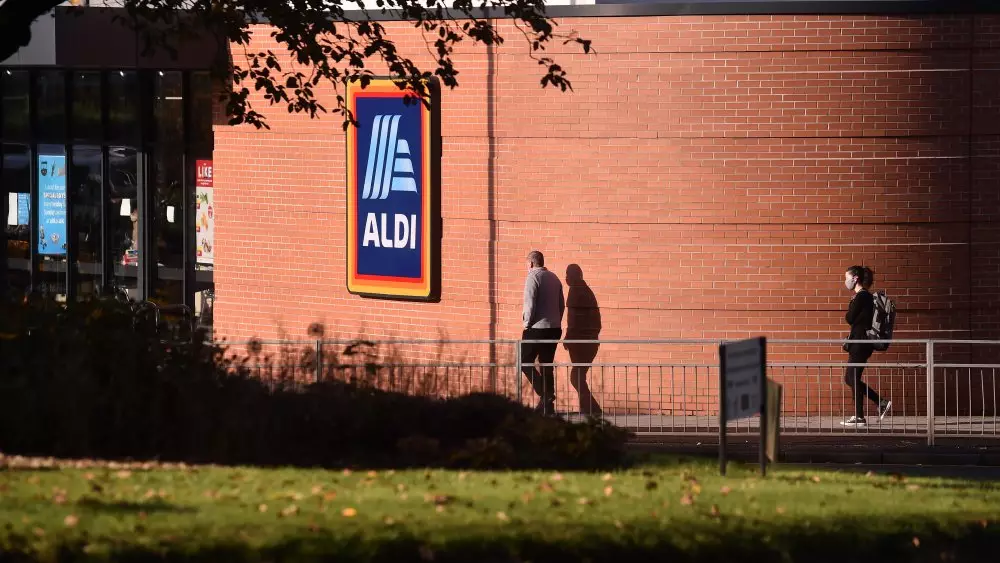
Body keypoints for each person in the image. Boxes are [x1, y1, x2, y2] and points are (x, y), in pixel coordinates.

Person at [841, 265, 892, 427]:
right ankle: (880, 402)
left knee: (852, 378)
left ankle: (859, 416)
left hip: (861, 342)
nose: (845, 281)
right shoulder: (865, 297)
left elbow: (849, 318)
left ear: (855, 278)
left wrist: (852, 305)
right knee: (850, 378)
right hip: (860, 342)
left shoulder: (862, 296)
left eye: (846, 278)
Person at [521, 250, 564, 415]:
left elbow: (529, 302)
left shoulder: (533, 277)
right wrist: (557, 321)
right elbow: (561, 305)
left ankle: (546, 395)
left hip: (536, 328)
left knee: (524, 361)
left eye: (527, 264)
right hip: (554, 328)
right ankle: (548, 405)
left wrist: (526, 323)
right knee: (546, 364)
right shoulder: (554, 278)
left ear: (531, 263)